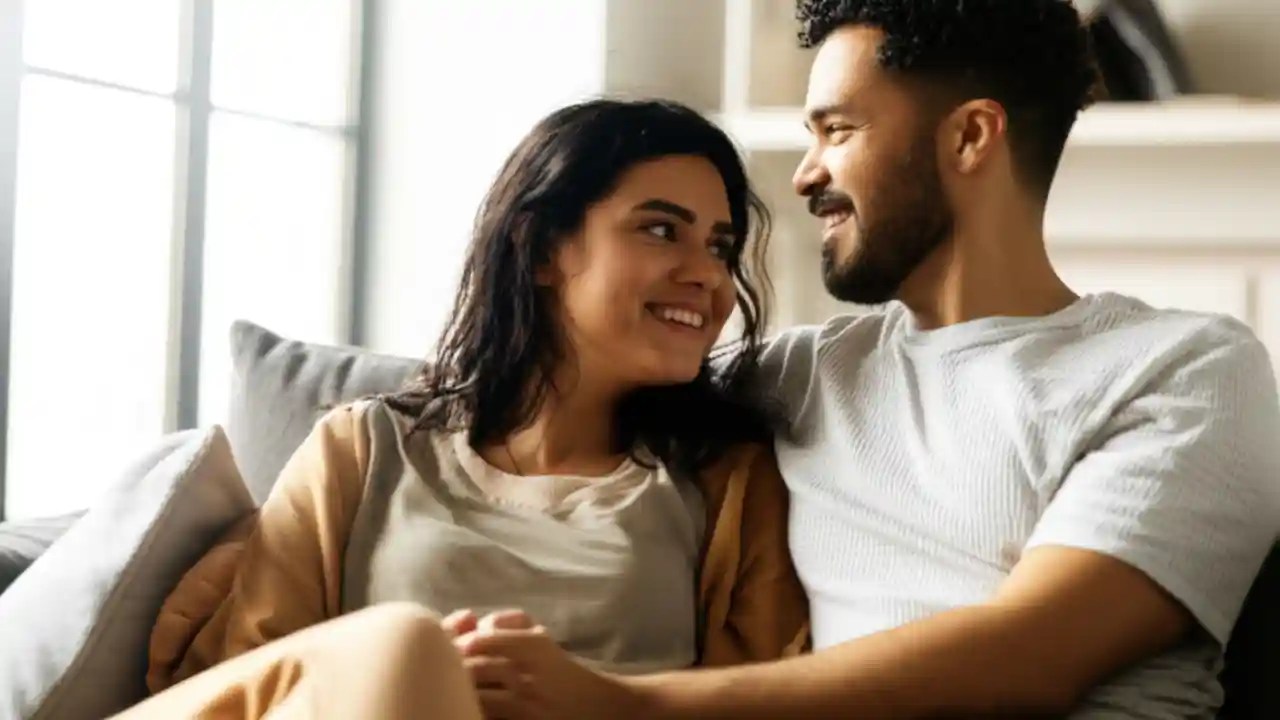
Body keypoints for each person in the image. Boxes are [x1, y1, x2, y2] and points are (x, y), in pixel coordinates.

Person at [451, 2, 1280, 718]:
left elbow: (1029, 658)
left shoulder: (1184, 368)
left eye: (838, 130)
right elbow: (553, 393)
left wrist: (625, 703)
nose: (807, 175)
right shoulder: (796, 377)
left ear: (971, 137)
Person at [117, 98, 808, 719]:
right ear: (539, 247)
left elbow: (761, 700)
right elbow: (258, 676)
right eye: (661, 231)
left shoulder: (726, 483)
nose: (709, 276)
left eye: (720, 246)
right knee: (407, 646)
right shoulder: (362, 450)